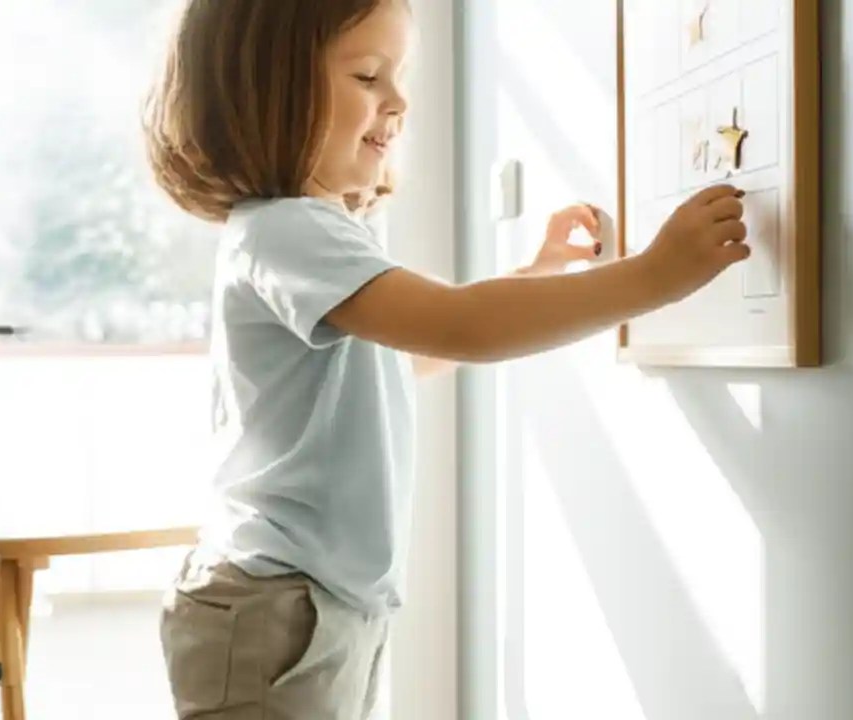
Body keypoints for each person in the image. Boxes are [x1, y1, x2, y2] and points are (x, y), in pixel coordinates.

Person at [143, 1, 749, 718]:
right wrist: (653, 276)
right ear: (266, 91)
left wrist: (536, 275)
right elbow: (458, 325)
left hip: (314, 599)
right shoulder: (285, 229)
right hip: (279, 603)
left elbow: (408, 354)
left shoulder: (313, 234)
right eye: (368, 75)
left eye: (398, 75)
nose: (398, 100)